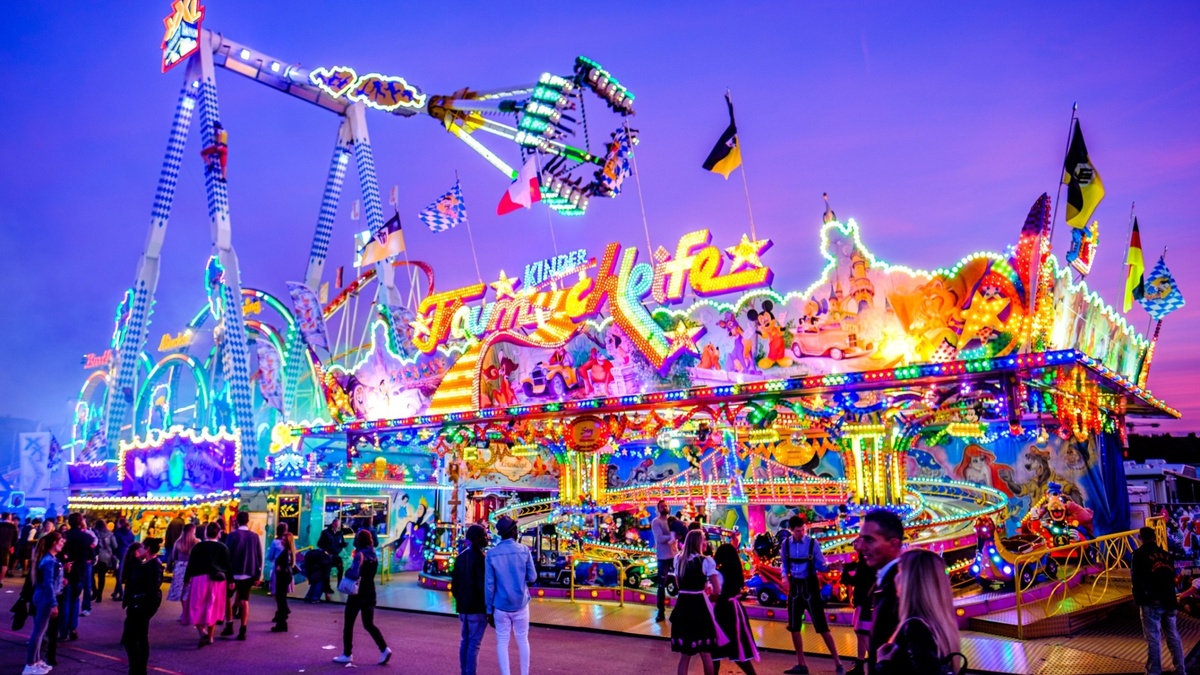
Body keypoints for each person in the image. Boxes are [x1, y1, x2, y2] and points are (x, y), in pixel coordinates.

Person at [875, 549, 963, 675]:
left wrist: (882, 664)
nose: (895, 578)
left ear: (911, 581)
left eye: (900, 571)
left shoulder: (914, 628)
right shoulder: (941, 627)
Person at [781, 515, 844, 675]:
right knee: (794, 627)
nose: (801, 533)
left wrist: (831, 567)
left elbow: (821, 565)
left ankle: (838, 663)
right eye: (798, 531)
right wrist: (784, 578)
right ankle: (801, 664)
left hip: (810, 588)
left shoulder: (812, 543)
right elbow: (784, 565)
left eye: (803, 530)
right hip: (795, 588)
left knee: (822, 626)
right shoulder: (785, 544)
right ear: (791, 530)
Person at [332, 529, 392, 665]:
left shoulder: (360, 555)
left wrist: (347, 572)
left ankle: (347, 654)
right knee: (369, 624)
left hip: (357, 594)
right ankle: (384, 648)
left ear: (358, 540)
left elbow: (354, 574)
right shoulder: (373, 554)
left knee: (349, 624)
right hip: (370, 592)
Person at [485, 515, 536, 675]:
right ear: (514, 532)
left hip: (500, 606)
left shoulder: (491, 554)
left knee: (502, 642)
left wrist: (489, 610)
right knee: (522, 640)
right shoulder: (524, 551)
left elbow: (489, 586)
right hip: (520, 604)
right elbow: (532, 577)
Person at [856, 509, 905, 675]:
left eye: (869, 540)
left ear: (893, 544)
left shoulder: (901, 586)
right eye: (861, 539)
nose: (861, 547)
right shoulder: (884, 582)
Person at [671, 529, 724, 675]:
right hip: (699, 607)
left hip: (682, 606)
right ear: (698, 542)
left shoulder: (678, 560)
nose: (705, 542)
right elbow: (717, 590)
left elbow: (679, 585)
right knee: (706, 653)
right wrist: (707, 588)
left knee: (685, 655)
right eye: (704, 539)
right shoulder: (706, 561)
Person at [1136, 526, 1188, 675]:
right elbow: (1172, 578)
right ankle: (1180, 669)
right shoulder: (1166, 555)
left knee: (1153, 639)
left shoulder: (1139, 555)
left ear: (1140, 538)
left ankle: (1154, 671)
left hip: (1152, 601)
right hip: (1169, 600)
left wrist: (1140, 600)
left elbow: (1136, 580)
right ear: (1154, 537)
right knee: (1173, 636)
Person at [711, 543, 759, 675]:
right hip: (736, 610)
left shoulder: (718, 574)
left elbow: (715, 593)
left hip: (722, 610)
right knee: (737, 645)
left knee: (715, 649)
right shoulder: (737, 572)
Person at [184, 522, 230, 647]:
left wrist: (186, 579)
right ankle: (210, 636)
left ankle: (202, 631)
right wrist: (231, 581)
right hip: (217, 580)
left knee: (195, 606)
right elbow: (227, 565)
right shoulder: (223, 547)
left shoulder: (198, 547)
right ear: (219, 533)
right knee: (213, 607)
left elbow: (191, 564)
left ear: (206, 533)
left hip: (199, 578)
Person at [24, 531, 64, 675]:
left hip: (42, 596)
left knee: (40, 632)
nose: (63, 542)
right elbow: (48, 584)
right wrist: (53, 604)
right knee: (38, 633)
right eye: (61, 540)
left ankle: (36, 661)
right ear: (54, 543)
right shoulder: (49, 561)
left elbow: (50, 581)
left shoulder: (49, 559)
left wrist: (61, 582)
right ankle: (30, 665)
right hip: (45, 598)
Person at [123, 538, 164, 675]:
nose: (139, 550)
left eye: (141, 547)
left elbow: (151, 587)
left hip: (141, 605)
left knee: (136, 637)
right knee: (137, 637)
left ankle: (138, 668)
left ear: (147, 549)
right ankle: (137, 668)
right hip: (140, 604)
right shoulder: (149, 564)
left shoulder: (152, 566)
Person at [452, 524, 489, 675]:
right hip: (477, 608)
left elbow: (454, 584)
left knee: (465, 641)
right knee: (474, 644)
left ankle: (464, 671)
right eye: (484, 535)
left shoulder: (461, 557)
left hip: (463, 607)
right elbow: (482, 586)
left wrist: (460, 600)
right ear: (477, 538)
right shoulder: (481, 559)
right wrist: (488, 607)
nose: (487, 538)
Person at [224, 510, 263, 640]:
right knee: (244, 600)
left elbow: (227, 556)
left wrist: (227, 574)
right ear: (248, 521)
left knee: (227, 598)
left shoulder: (232, 536)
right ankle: (243, 628)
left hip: (234, 573)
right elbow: (259, 556)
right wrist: (257, 575)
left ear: (236, 521)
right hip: (249, 572)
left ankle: (229, 624)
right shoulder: (254, 536)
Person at [60, 512, 95, 640]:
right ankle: (73, 628)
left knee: (65, 601)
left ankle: (63, 631)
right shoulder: (87, 537)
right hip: (80, 570)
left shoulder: (65, 536)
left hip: (66, 570)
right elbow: (91, 555)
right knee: (75, 599)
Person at [845, 555, 878, 675]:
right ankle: (860, 664)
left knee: (863, 634)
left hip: (864, 601)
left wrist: (843, 572)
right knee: (861, 634)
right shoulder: (866, 559)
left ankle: (876, 664)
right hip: (864, 601)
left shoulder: (865, 560)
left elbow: (857, 581)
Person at [651, 499, 679, 622]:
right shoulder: (656, 522)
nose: (664, 508)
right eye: (662, 506)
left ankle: (679, 610)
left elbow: (679, 533)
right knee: (661, 585)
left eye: (666, 506)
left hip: (675, 555)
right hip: (663, 557)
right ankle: (661, 612)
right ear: (658, 509)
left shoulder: (673, 520)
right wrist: (672, 537)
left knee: (681, 583)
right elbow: (660, 538)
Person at [167, 524, 199, 619]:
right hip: (193, 568)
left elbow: (174, 556)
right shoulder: (197, 542)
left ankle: (184, 612)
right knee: (191, 591)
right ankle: (190, 613)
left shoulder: (178, 542)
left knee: (182, 592)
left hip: (180, 568)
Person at [269, 524, 295, 633]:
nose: (282, 541)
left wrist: (280, 567)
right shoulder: (289, 551)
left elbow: (275, 560)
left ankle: (282, 621)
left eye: (284, 540)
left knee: (281, 599)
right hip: (285, 576)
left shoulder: (285, 552)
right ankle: (282, 620)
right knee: (281, 598)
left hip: (282, 577)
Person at [91, 519, 117, 604]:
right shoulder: (110, 534)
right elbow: (115, 546)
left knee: (91, 575)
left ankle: (94, 591)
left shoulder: (94, 533)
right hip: (106, 557)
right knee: (101, 577)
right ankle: (99, 595)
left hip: (95, 556)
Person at [318, 518, 348, 590]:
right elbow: (319, 544)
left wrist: (344, 545)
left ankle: (339, 584)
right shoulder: (325, 533)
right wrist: (326, 551)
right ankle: (327, 587)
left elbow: (341, 543)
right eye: (336, 524)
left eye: (338, 525)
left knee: (340, 568)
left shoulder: (340, 533)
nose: (337, 526)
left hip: (336, 555)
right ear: (333, 524)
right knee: (327, 570)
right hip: (328, 555)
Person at [111, 517, 135, 601]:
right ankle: (116, 592)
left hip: (119, 555)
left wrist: (113, 553)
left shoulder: (117, 533)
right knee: (120, 573)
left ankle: (121, 593)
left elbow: (114, 545)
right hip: (127, 554)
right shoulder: (130, 533)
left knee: (118, 574)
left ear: (119, 524)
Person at [0, 512, 17, 585]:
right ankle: (1, 580)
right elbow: (15, 538)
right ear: (8, 517)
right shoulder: (13, 526)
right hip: (7, 546)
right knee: (4, 564)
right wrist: (12, 546)